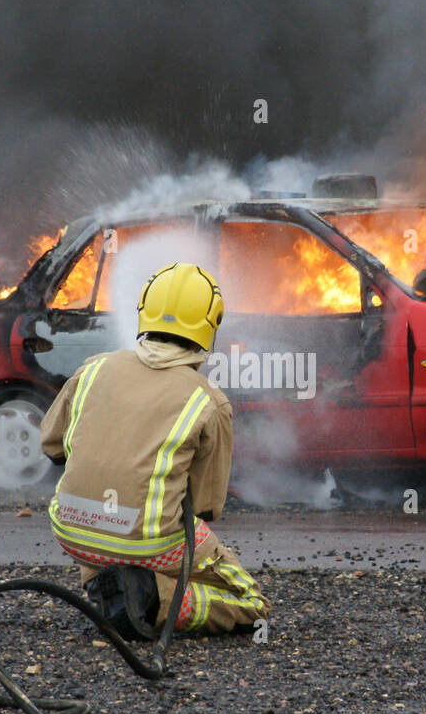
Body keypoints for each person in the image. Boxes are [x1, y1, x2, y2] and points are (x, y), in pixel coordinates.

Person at [39, 261, 271, 640]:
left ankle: (109, 587)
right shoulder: (209, 401)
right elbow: (207, 505)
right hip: (147, 540)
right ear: (210, 326)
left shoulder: (92, 369)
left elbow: (51, 445)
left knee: (111, 534)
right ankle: (151, 599)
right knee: (251, 604)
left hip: (69, 528)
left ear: (143, 314)